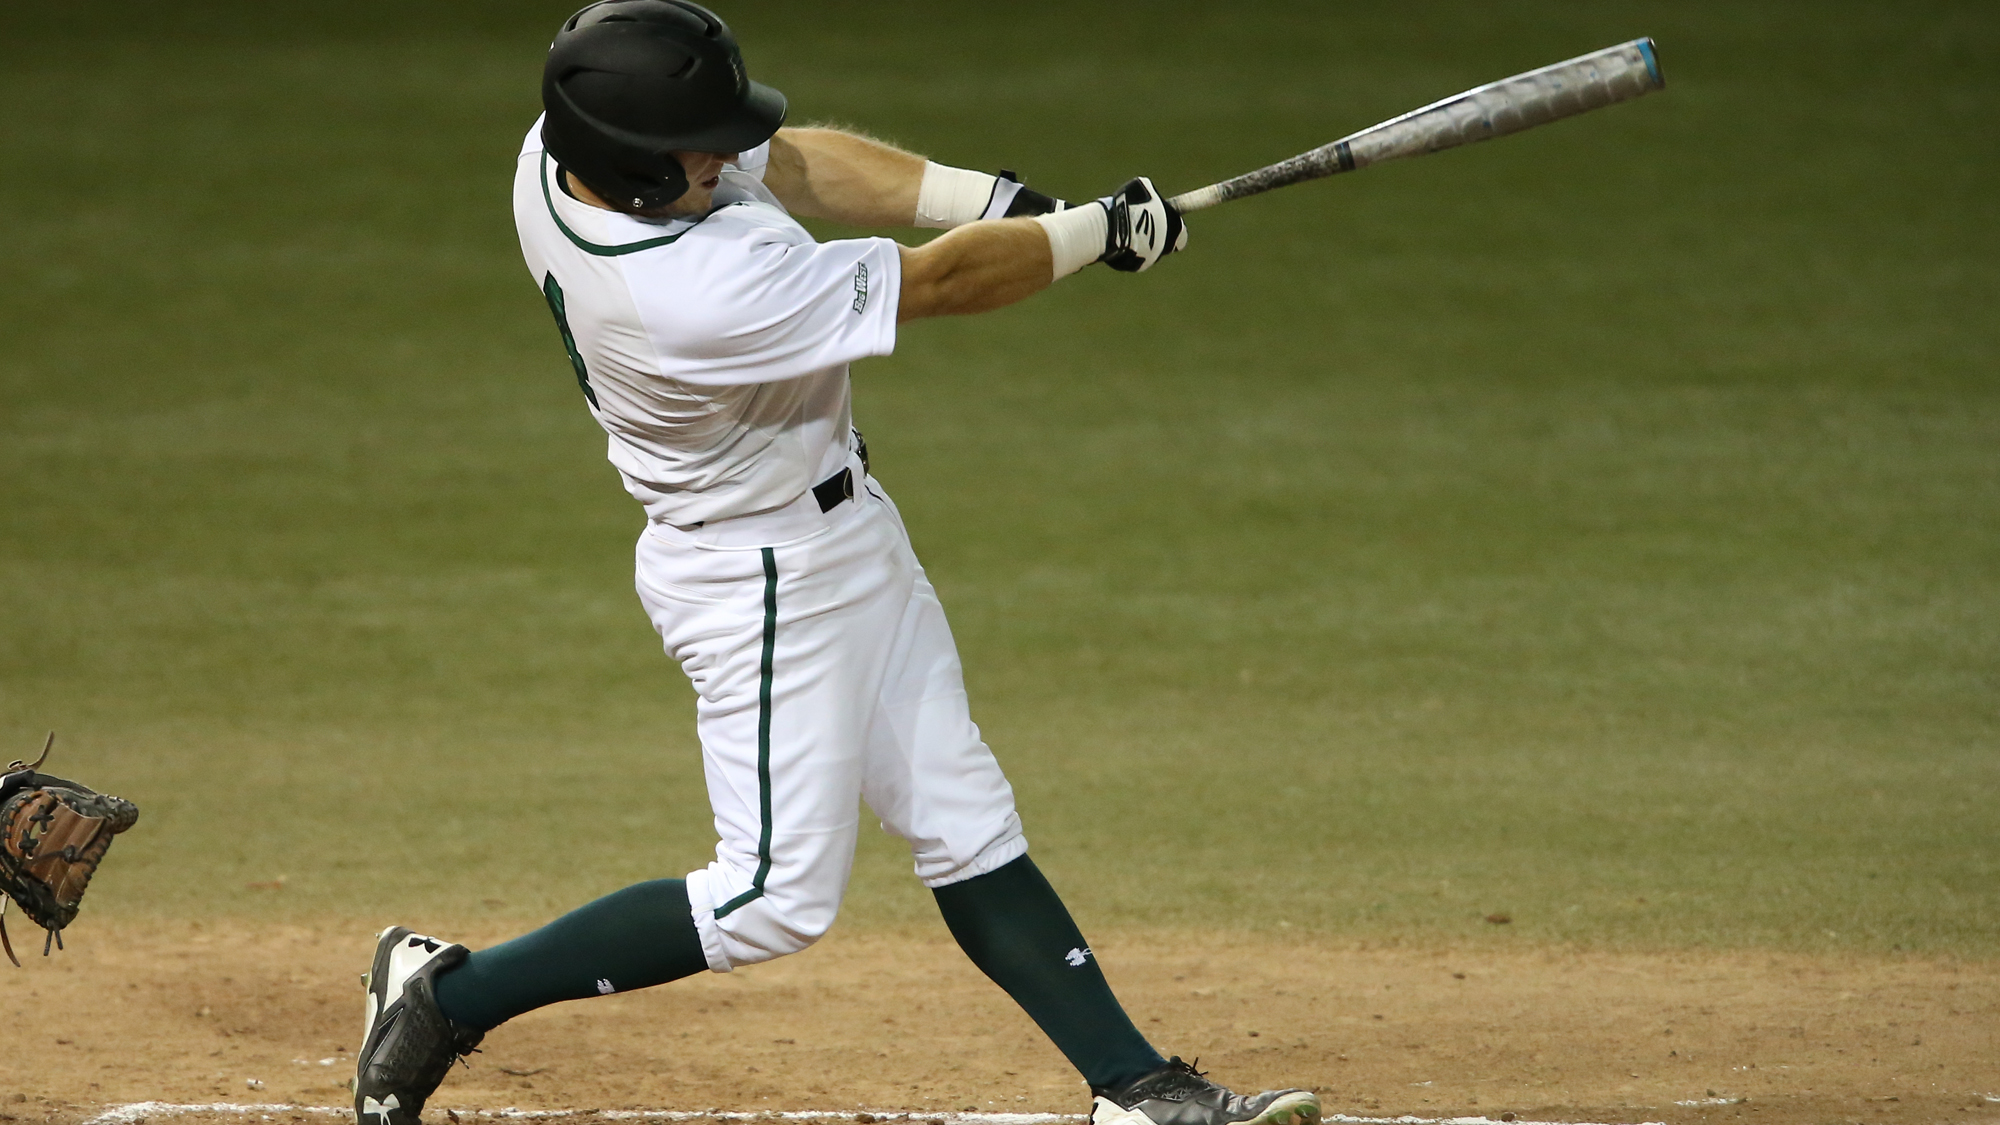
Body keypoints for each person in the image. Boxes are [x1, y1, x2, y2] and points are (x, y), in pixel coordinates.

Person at [353, 6, 1319, 1125]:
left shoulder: (563, 152)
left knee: (963, 815)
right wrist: (1092, 234)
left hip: (844, 531)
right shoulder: (698, 292)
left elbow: (797, 161)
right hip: (760, 580)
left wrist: (1000, 203)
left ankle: (1134, 1089)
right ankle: (445, 995)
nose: (726, 156)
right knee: (769, 899)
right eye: (700, 146)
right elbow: (940, 285)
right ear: (633, 164)